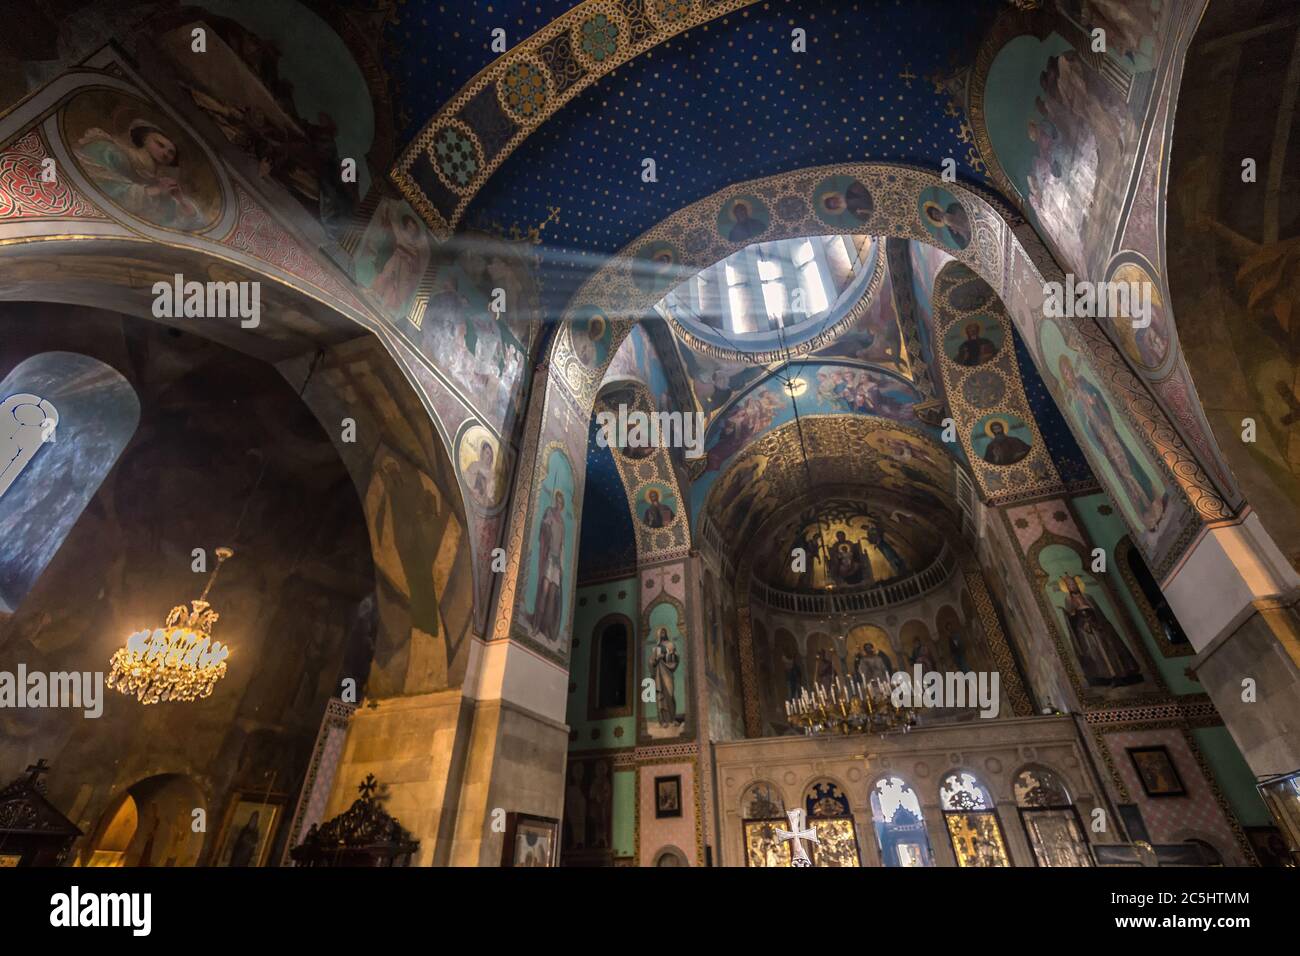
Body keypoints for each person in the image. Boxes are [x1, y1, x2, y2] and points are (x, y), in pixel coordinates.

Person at [74, 119, 208, 229]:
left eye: (171, 153)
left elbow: (175, 224)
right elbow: (98, 187)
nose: (165, 153)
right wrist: (154, 191)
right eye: (160, 144)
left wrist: (181, 201)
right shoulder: (110, 150)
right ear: (145, 139)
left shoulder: (160, 183)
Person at [531, 489, 567, 641]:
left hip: (557, 562)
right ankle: (536, 625)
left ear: (563, 505)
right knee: (544, 591)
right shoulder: (549, 512)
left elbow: (562, 546)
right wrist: (546, 524)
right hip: (549, 558)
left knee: (552, 595)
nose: (558, 504)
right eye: (557, 501)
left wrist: (563, 566)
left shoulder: (563, 523)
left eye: (560, 502)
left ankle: (546, 628)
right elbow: (543, 528)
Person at [650, 627, 680, 726]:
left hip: (668, 672)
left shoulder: (671, 645)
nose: (662, 633)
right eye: (661, 632)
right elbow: (651, 662)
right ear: (658, 634)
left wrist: (665, 656)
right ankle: (663, 721)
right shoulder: (656, 648)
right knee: (660, 696)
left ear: (666, 633)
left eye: (664, 632)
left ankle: (672, 718)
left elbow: (676, 658)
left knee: (670, 694)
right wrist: (656, 659)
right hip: (659, 674)